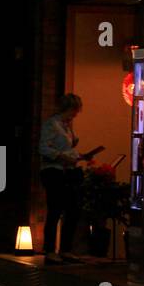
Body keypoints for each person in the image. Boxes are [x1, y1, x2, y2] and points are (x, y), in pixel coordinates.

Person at [39, 93, 89, 264]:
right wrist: (61, 156)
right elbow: (43, 148)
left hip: (67, 170)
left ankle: (66, 249)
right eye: (74, 111)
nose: (75, 114)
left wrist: (77, 155)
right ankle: (50, 250)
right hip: (54, 171)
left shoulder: (66, 126)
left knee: (72, 209)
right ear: (68, 109)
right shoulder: (52, 124)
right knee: (55, 208)